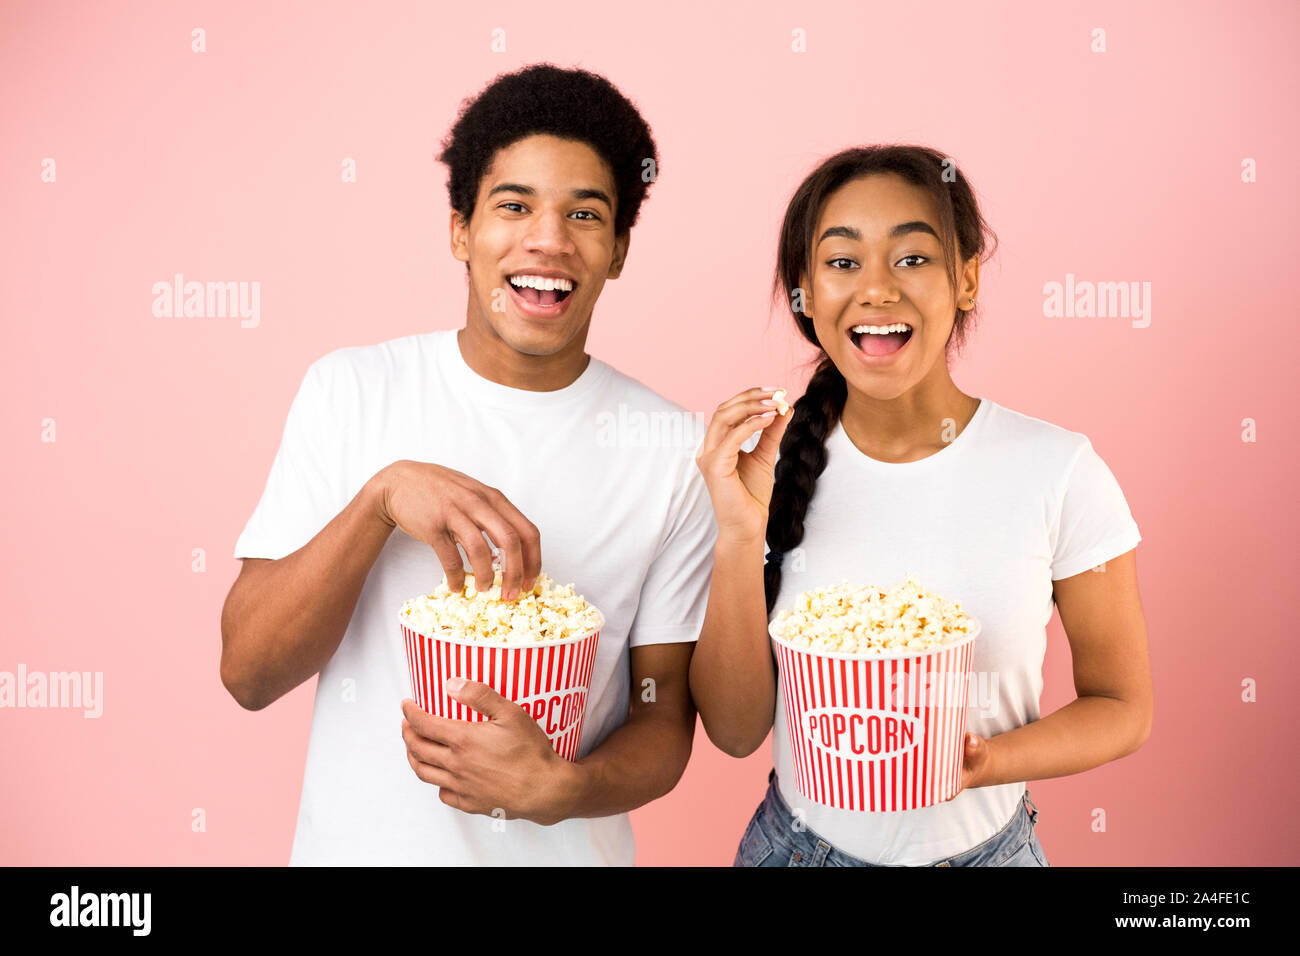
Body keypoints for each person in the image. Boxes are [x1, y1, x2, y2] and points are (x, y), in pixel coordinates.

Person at [221, 63, 716, 865]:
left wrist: (569, 790)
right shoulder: (353, 390)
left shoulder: (673, 451)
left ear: (620, 249)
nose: (548, 240)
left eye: (585, 214)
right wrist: (379, 501)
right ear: (460, 229)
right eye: (513, 205)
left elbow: (663, 718)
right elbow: (248, 673)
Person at [691, 144, 1152, 867]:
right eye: (842, 262)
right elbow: (734, 729)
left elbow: (1122, 707)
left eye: (911, 259)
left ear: (966, 278)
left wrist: (984, 762)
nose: (876, 288)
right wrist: (737, 533)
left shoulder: (1057, 469)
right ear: (805, 294)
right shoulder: (758, 466)